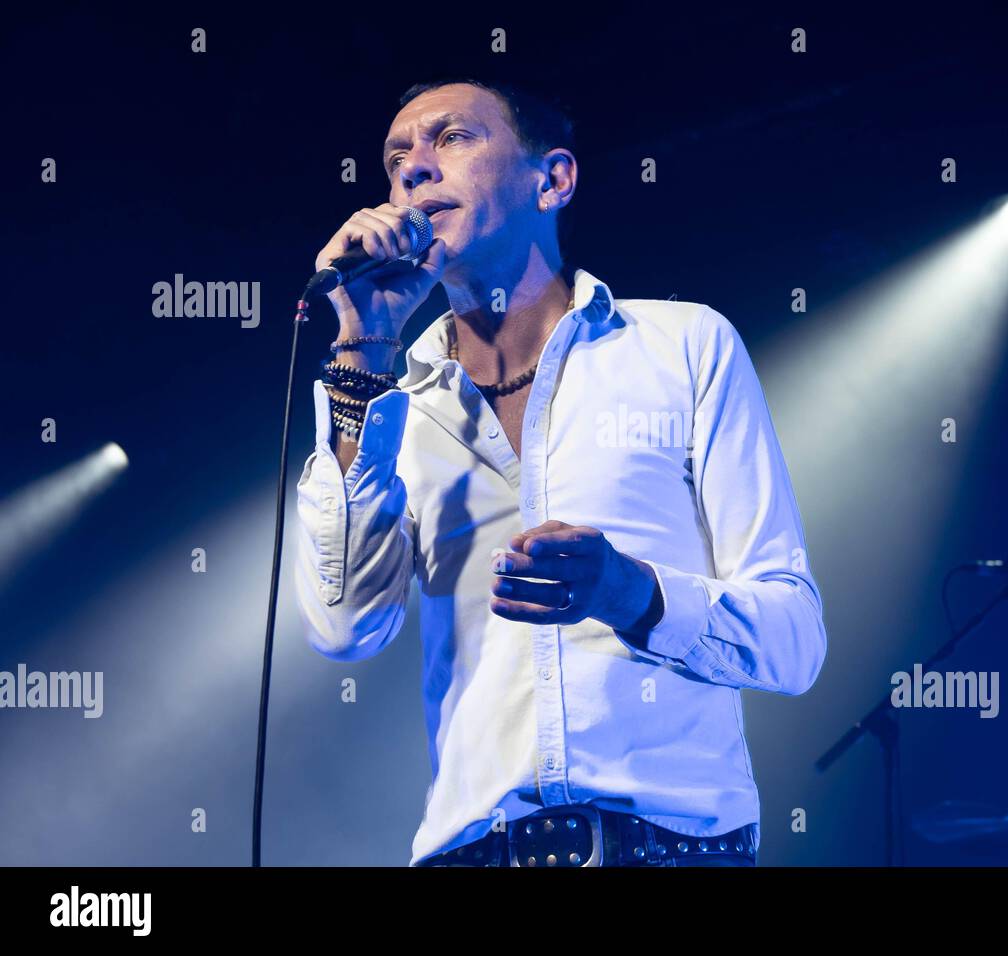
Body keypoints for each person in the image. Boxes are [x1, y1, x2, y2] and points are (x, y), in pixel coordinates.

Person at [295, 77, 827, 867]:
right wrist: (362, 349)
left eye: (452, 139)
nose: (412, 170)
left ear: (553, 180)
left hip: (672, 850)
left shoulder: (683, 347)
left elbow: (793, 640)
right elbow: (343, 626)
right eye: (396, 156)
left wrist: (631, 593)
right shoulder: (392, 404)